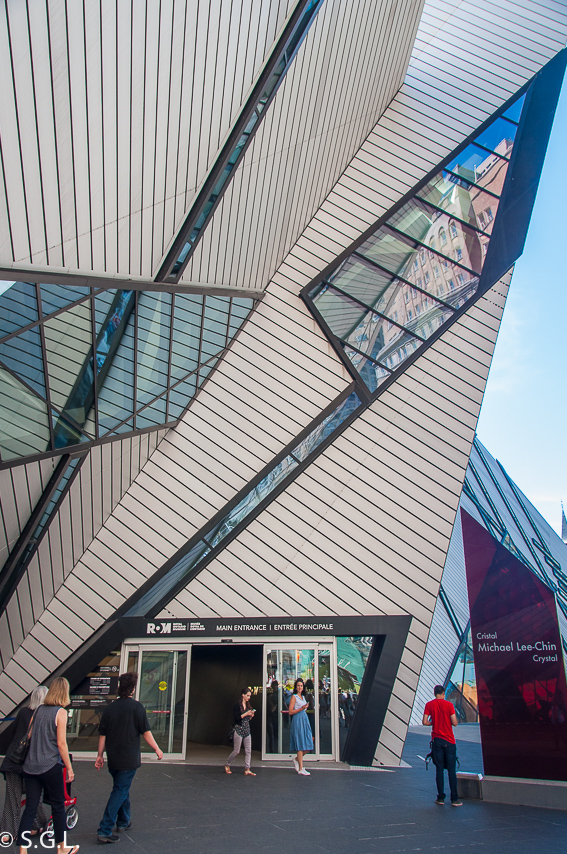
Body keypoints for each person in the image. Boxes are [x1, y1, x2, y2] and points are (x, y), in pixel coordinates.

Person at [95, 672, 163, 844]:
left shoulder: (109, 709)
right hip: (129, 758)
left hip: (113, 758)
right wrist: (157, 749)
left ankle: (124, 821)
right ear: (132, 689)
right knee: (119, 791)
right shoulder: (137, 708)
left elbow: (102, 734)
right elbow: (145, 732)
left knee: (121, 787)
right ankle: (105, 829)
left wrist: (99, 755)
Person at [16, 677, 78, 854]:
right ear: (64, 692)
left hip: (30, 766)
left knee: (30, 808)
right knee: (58, 806)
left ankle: (23, 850)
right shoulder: (61, 713)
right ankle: (62, 848)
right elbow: (61, 744)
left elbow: (28, 737)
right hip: (50, 766)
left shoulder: (38, 710)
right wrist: (70, 768)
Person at [1, 686, 49, 846]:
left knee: (12, 799)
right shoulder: (45, 715)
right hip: (31, 763)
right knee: (35, 796)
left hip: (13, 760)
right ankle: (40, 824)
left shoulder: (22, 712)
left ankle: (8, 833)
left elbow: (12, 734)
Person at [422, 685, 462, 806]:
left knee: (439, 769)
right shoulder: (449, 705)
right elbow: (454, 723)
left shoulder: (429, 705)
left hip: (437, 740)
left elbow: (424, 722)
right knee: (451, 770)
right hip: (449, 741)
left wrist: (433, 722)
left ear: (434, 693)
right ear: (443, 693)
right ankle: (454, 799)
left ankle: (440, 798)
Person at [224, 688, 256, 776]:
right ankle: (227, 764)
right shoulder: (237, 706)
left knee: (248, 750)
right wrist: (246, 714)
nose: (248, 698)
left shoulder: (248, 706)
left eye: (249, 696)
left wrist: (251, 715)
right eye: (247, 695)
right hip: (239, 729)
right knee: (236, 750)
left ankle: (247, 768)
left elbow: (247, 719)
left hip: (246, 729)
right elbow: (236, 718)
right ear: (243, 695)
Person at [289, 678, 314, 776]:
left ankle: (296, 760)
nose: (300, 687)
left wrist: (304, 708)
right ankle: (301, 768)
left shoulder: (303, 697)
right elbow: (291, 711)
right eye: (298, 686)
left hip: (304, 720)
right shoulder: (294, 697)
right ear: (296, 687)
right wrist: (301, 709)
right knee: (300, 743)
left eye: (301, 686)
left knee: (308, 742)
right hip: (298, 720)